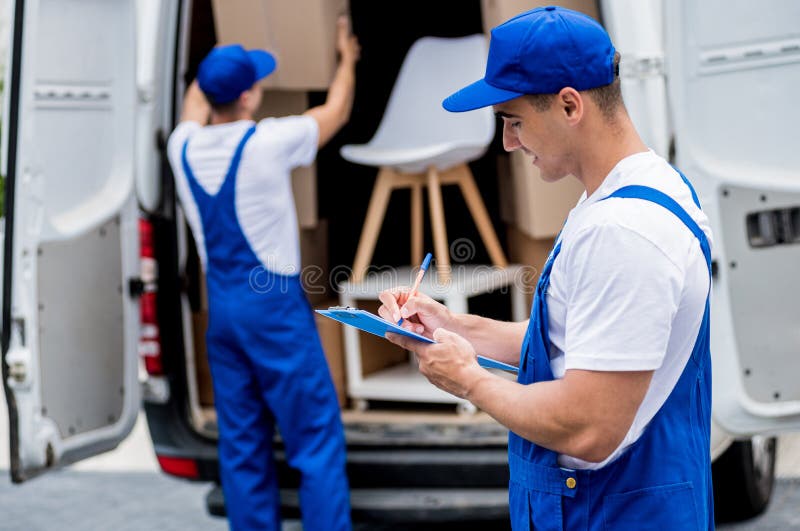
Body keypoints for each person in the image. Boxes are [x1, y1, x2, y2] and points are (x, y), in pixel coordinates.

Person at [378, 6, 714, 530]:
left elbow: (587, 426)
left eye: (514, 121)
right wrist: (455, 326)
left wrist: (469, 380)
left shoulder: (623, 231)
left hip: (611, 512)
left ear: (569, 105)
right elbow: (585, 342)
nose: (509, 142)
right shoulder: (641, 191)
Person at [166, 16, 359, 531]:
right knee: (314, 440)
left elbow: (191, 105)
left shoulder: (181, 147)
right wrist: (347, 58)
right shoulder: (267, 143)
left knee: (242, 446)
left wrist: (209, 79)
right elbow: (336, 110)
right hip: (273, 309)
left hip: (222, 314)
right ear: (250, 97)